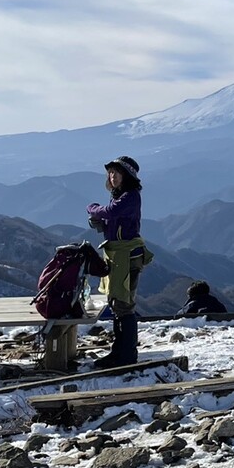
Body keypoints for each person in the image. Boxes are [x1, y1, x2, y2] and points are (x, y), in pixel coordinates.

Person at [86, 155, 149, 368]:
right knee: (117, 303)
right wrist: (103, 225)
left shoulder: (130, 196)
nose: (112, 177)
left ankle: (126, 354)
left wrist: (93, 208)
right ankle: (120, 351)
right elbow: (115, 220)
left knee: (124, 305)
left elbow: (112, 212)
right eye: (110, 173)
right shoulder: (121, 195)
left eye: (116, 173)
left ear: (127, 176)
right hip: (120, 254)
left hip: (127, 256)